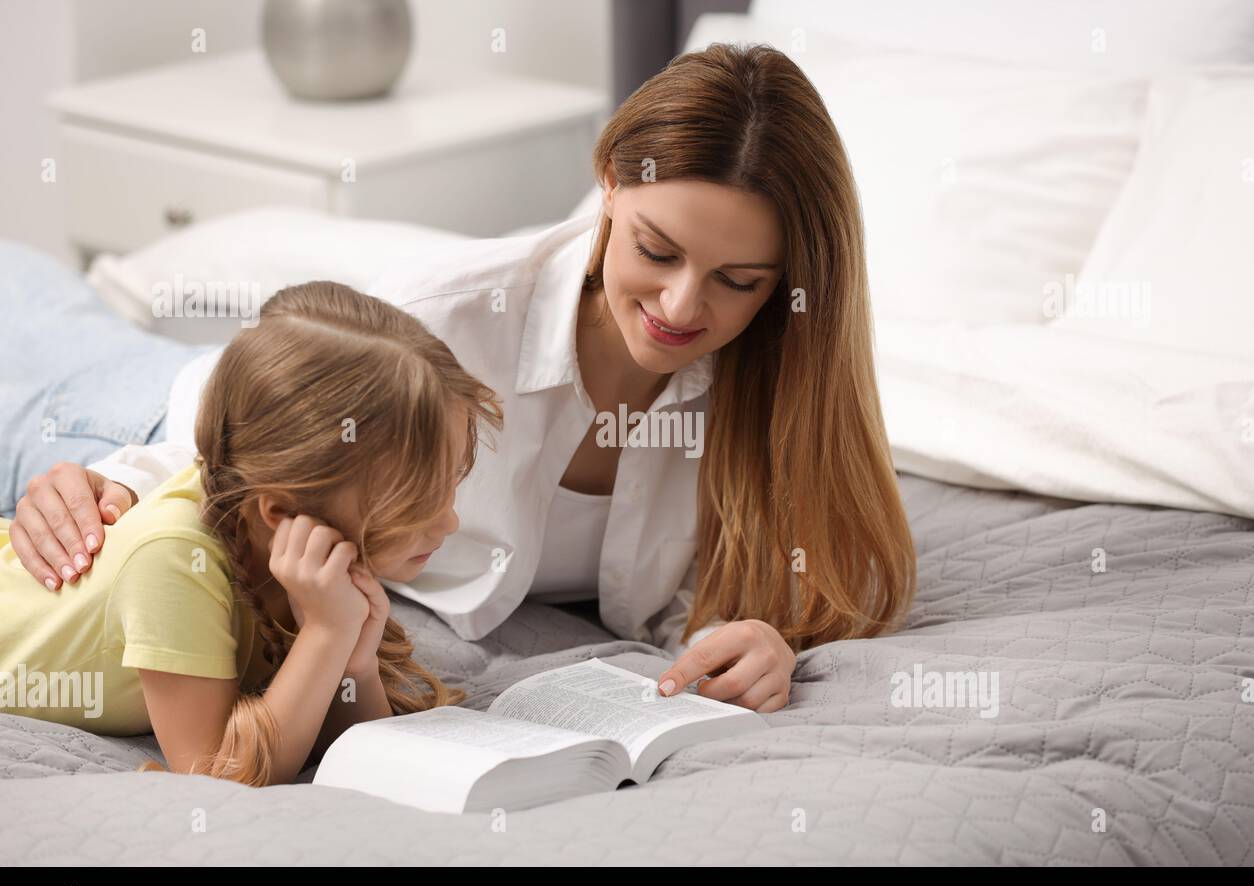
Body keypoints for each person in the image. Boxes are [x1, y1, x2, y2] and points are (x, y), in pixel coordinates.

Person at [6, 43, 916, 715]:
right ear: (608, 185)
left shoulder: (773, 389)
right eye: (657, 249)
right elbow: (247, 409)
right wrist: (117, 478)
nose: (683, 306)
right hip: (148, 440)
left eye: (737, 281)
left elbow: (769, 581)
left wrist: (759, 640)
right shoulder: (451, 317)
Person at [0, 281, 502, 785]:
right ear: (280, 511)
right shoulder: (175, 560)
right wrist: (326, 635)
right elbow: (218, 772)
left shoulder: (304, 544)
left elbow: (355, 742)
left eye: (449, 488)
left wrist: (354, 664)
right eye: (416, 502)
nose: (449, 523)